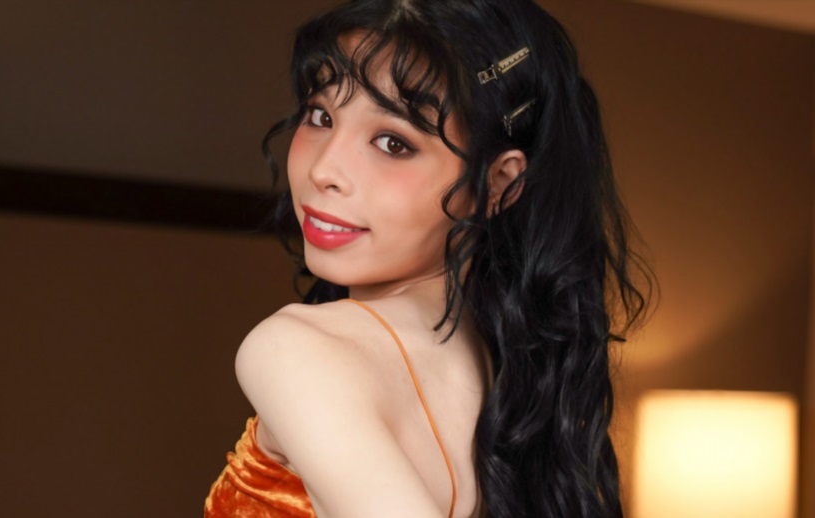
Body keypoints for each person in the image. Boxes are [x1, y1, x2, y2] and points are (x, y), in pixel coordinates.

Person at [205, 0, 652, 517]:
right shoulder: (510, 376)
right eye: (321, 116)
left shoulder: (299, 350)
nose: (325, 169)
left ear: (500, 182)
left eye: (392, 142)